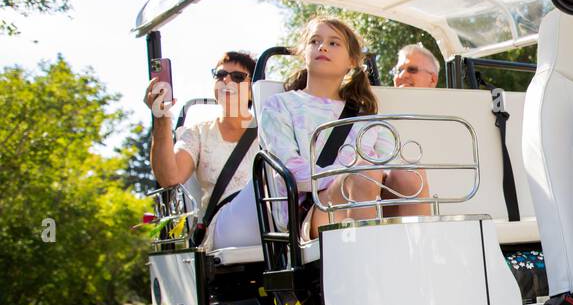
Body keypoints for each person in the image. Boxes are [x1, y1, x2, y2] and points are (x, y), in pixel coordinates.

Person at [258, 17, 431, 240]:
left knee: (410, 174)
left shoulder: (365, 117)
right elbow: (291, 171)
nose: (323, 47)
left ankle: (420, 254)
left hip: (365, 195)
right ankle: (367, 261)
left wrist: (374, 174)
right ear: (304, 52)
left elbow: (391, 163)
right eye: (314, 41)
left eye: (334, 43)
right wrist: (353, 173)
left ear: (351, 60)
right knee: (364, 172)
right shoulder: (279, 106)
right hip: (310, 211)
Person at [142, 51, 258, 225]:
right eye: (220, 75)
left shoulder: (269, 130)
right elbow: (169, 178)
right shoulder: (197, 133)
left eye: (237, 77)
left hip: (269, 227)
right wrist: (161, 118)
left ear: (252, 91)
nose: (226, 80)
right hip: (223, 230)